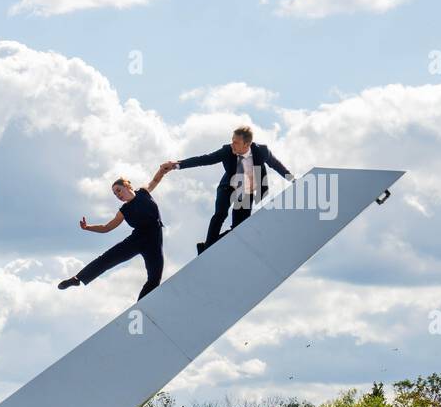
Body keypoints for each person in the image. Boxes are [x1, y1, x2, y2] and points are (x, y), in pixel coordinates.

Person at [164, 125, 293, 253]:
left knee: (239, 228)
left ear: (247, 144)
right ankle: (208, 249)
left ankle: (207, 246)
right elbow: (204, 159)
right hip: (227, 187)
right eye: (232, 140)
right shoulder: (227, 151)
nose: (232, 144)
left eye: (236, 142)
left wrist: (292, 179)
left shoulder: (262, 151)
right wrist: (177, 165)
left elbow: (276, 165)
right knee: (220, 214)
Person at [57, 164, 171, 300]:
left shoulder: (143, 192)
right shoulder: (123, 211)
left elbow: (155, 180)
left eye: (119, 190)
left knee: (155, 278)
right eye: (115, 194)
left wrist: (162, 170)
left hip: (154, 240)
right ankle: (77, 278)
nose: (117, 195)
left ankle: (141, 306)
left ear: (127, 186)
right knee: (107, 259)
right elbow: (107, 227)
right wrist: (88, 227)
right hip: (137, 240)